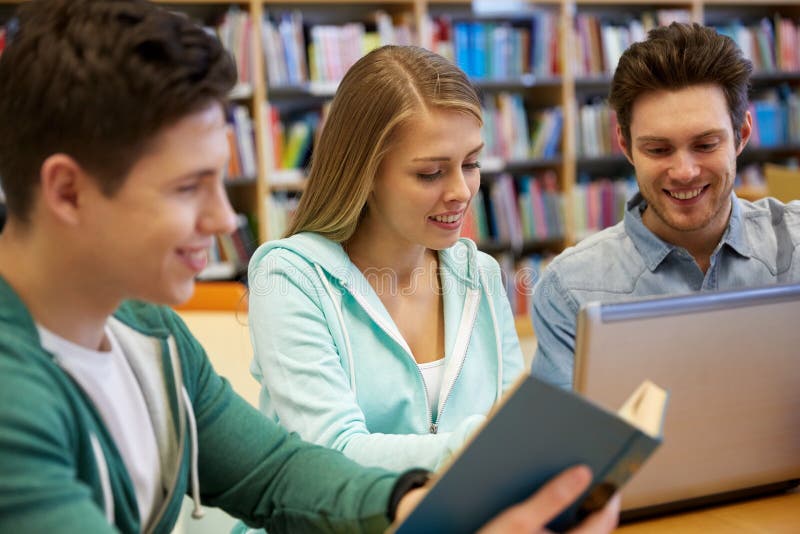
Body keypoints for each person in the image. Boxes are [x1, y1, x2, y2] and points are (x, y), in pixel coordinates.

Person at [0, 1, 621, 532]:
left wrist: (416, 505)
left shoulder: (149, 332)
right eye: (189, 187)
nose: (224, 221)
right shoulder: (14, 398)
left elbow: (275, 472)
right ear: (68, 192)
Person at [247, 45, 524, 473]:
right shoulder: (289, 278)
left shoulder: (480, 275)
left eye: (471, 164)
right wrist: (480, 445)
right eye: (430, 173)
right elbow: (331, 454)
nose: (462, 192)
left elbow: (511, 425)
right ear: (365, 172)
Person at [531, 22, 800, 389]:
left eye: (706, 145)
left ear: (742, 135)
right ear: (625, 146)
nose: (685, 172)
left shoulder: (795, 244)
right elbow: (563, 445)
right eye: (658, 149)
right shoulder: (569, 289)